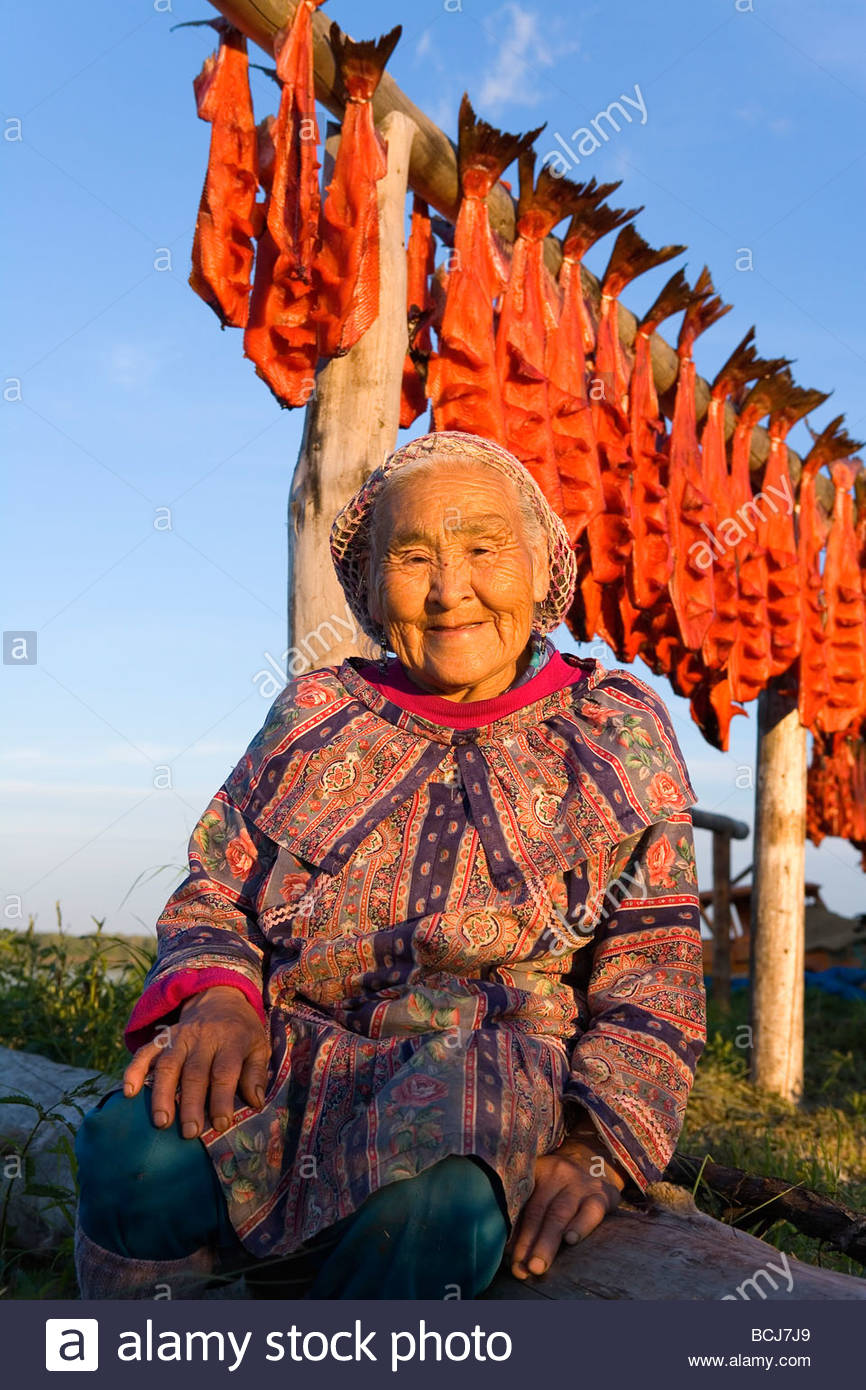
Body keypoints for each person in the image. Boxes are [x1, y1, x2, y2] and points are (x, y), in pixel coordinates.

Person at [74, 430, 706, 1300]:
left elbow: (656, 970)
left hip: (481, 1075)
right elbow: (216, 887)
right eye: (413, 557)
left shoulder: (612, 730)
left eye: (484, 549)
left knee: (430, 1210)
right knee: (131, 1153)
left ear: (541, 563)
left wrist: (595, 1149)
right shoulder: (317, 711)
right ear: (369, 587)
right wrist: (221, 994)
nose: (452, 593)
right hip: (285, 1058)